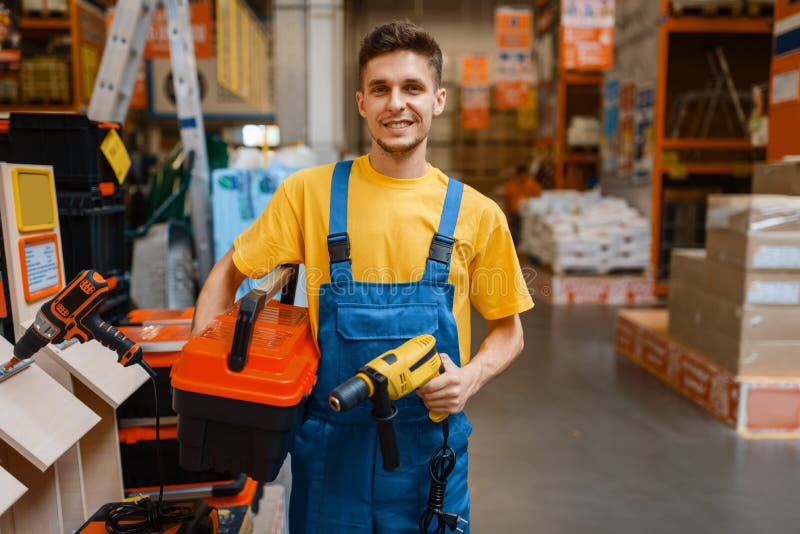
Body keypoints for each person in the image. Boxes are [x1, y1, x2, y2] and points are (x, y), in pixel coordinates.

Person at [192, 20, 533, 534]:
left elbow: (509, 331)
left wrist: (469, 378)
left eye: (412, 88)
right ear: (362, 103)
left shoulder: (477, 214)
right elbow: (230, 272)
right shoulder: (309, 194)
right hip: (330, 455)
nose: (397, 103)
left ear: (438, 100)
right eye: (381, 89)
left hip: (431, 456)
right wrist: (207, 388)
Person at [502, 164, 541, 244]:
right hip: (515, 213)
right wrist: (506, 214)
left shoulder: (533, 185)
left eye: (525, 175)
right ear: (517, 175)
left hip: (530, 213)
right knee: (515, 231)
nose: (523, 177)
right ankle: (516, 246)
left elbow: (538, 199)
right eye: (521, 175)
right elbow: (506, 201)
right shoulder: (511, 185)